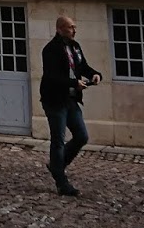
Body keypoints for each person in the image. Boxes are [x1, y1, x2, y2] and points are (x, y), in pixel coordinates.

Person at [40, 14, 102, 197]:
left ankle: (56, 166)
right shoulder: (50, 49)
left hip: (71, 100)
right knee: (58, 140)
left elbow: (82, 67)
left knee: (81, 136)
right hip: (54, 100)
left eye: (74, 27)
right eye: (70, 27)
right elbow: (51, 77)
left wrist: (95, 74)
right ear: (59, 29)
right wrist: (72, 83)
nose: (74, 30)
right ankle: (61, 182)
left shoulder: (75, 47)